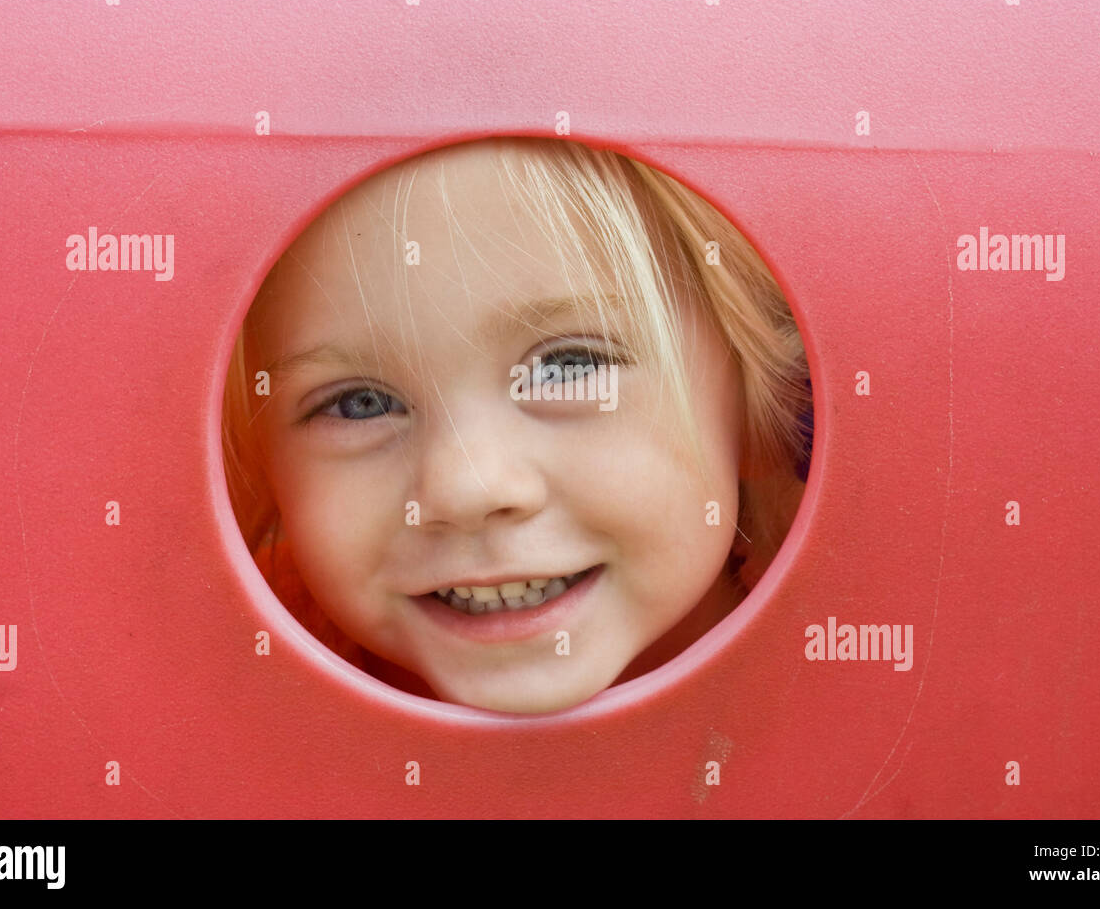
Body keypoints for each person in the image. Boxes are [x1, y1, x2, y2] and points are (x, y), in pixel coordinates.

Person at [222, 136, 812, 714]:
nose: (468, 489)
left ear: (766, 406)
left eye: (567, 366)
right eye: (360, 404)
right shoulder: (234, 700)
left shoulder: (858, 681)